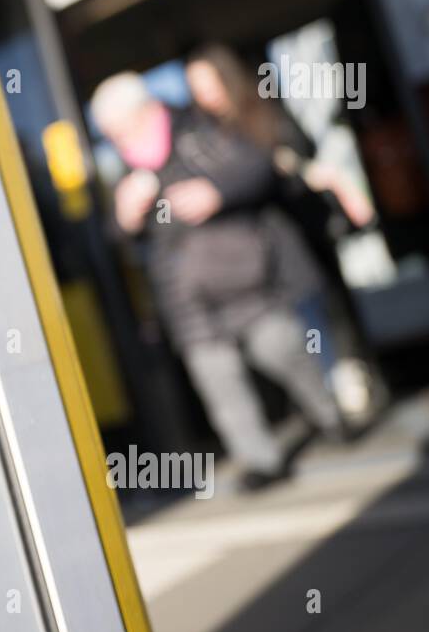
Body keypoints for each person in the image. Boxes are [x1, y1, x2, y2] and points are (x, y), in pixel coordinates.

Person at [92, 72, 345, 490]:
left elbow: (258, 167)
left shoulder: (197, 129)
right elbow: (116, 235)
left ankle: (328, 416)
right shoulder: (122, 167)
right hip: (185, 295)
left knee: (281, 349)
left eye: (120, 129)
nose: (117, 139)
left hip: (242, 273)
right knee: (219, 381)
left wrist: (215, 193)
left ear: (142, 112)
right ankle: (261, 461)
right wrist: (124, 218)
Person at [184, 44, 380, 418]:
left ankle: (348, 389)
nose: (205, 94)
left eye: (209, 83)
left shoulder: (263, 114)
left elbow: (298, 158)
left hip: (294, 232)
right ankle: (329, 401)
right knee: (293, 326)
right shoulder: (206, 134)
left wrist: (283, 166)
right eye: (197, 87)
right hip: (251, 249)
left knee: (320, 311)